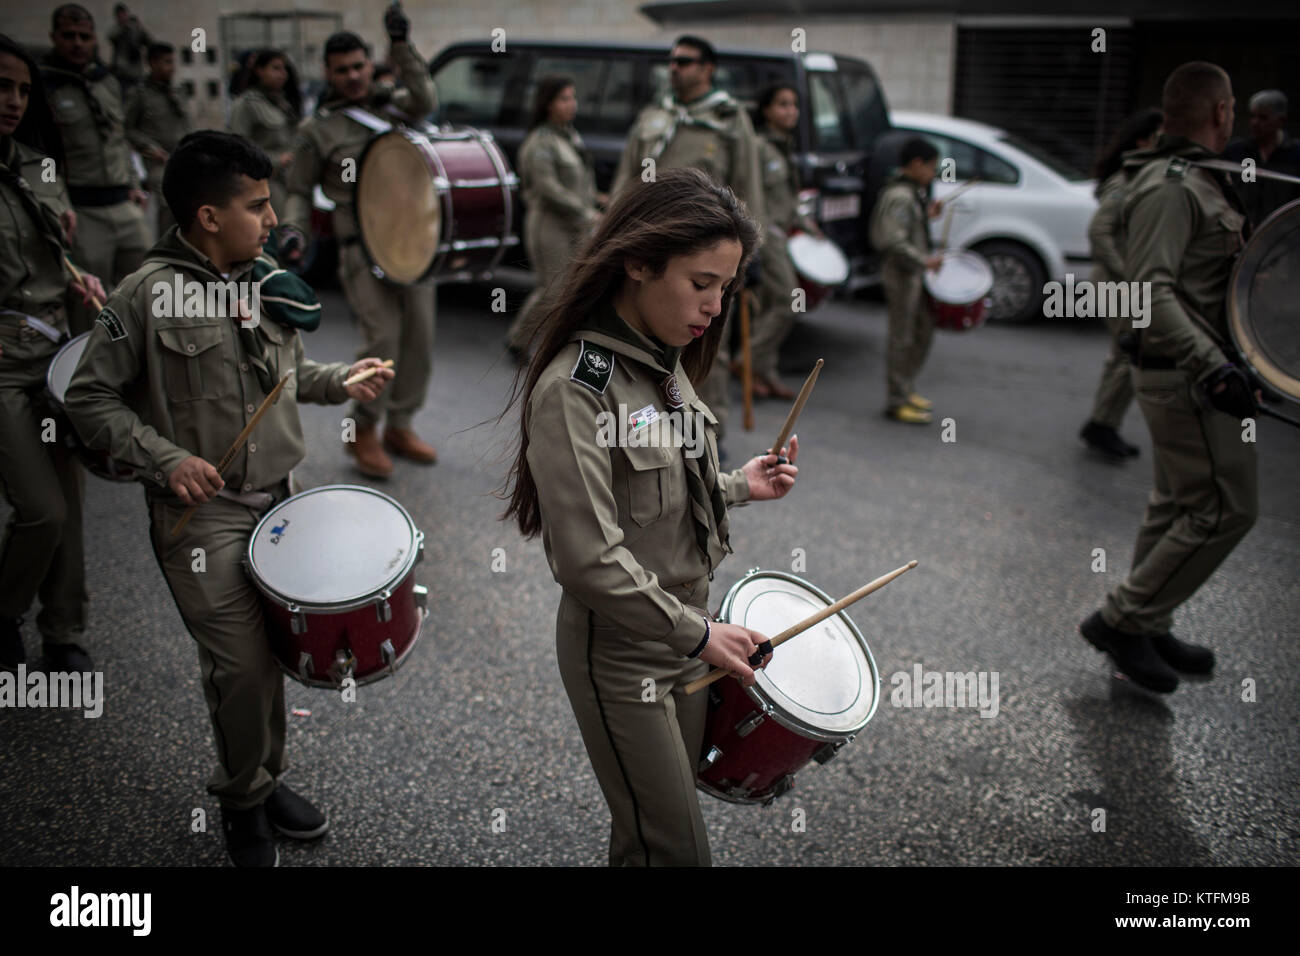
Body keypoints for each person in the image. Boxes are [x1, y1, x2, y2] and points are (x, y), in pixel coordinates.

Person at [64, 130, 394, 865]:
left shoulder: (264, 277)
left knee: (273, 656)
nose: (272, 218)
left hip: (281, 504)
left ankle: (262, 778)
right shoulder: (143, 295)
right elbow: (89, 398)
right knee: (239, 667)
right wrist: (166, 457)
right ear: (208, 217)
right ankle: (244, 805)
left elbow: (287, 374)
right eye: (256, 205)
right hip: (200, 517)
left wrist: (342, 379)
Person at [501, 167, 800, 866]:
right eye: (702, 284)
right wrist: (700, 637)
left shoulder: (662, 364)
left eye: (726, 287)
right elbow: (588, 558)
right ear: (638, 262)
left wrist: (738, 485)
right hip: (625, 649)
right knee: (677, 849)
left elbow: (662, 494)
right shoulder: (577, 389)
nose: (716, 306)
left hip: (688, 633)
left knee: (647, 832)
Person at [1079, 62, 1257, 695]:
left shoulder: (1195, 179)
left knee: (1177, 503)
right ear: (1222, 111)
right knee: (1225, 509)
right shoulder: (1172, 185)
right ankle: (1123, 618)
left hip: (1185, 368)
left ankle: (1147, 619)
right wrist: (1214, 366)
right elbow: (1149, 289)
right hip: (1187, 372)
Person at [280, 4, 439, 478]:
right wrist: (293, 231)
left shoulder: (394, 105)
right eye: (341, 70)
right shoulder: (317, 129)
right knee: (383, 339)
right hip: (361, 249)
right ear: (327, 73)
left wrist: (400, 44)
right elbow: (297, 189)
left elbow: (426, 95)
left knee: (420, 341)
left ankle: (400, 425)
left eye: (359, 66)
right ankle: (363, 432)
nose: (352, 76)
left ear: (370, 65)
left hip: (414, 245)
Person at [0, 33, 106, 673]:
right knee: (40, 509)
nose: (12, 101)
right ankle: (3, 610)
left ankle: (62, 632)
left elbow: (57, 244)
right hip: (3, 366)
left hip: (50, 348)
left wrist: (75, 274)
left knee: (68, 505)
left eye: (20, 89)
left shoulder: (37, 166)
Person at [612, 35, 765, 451]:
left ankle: (707, 429)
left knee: (703, 343)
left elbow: (747, 188)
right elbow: (627, 176)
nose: (674, 68)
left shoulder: (730, 119)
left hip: (704, 258)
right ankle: (645, 426)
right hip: (648, 253)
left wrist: (748, 259)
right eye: (672, 61)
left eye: (685, 61)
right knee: (639, 336)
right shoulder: (654, 115)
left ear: (707, 69)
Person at [42, 3, 150, 320]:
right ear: (54, 37)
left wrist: (133, 184)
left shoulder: (108, 83)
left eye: (84, 36)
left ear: (94, 40)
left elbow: (119, 138)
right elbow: (44, 157)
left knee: (148, 290)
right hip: (82, 209)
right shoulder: (45, 87)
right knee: (89, 301)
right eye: (69, 36)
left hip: (123, 205)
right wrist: (56, 201)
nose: (77, 43)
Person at [1078, 107, 1163, 461]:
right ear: (1143, 140)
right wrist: (1127, 274)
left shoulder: (1145, 175)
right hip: (1117, 283)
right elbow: (1099, 231)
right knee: (1130, 354)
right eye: (1160, 136)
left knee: (1125, 356)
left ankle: (1103, 423)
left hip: (1125, 282)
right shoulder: (1127, 179)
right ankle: (1101, 424)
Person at [504, 74, 601, 364]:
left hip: (574, 223)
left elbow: (581, 179)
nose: (572, 104)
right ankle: (518, 340)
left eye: (573, 97)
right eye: (564, 98)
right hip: (550, 224)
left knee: (573, 287)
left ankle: (561, 343)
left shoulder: (569, 136)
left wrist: (598, 199)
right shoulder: (540, 142)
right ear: (547, 104)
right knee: (553, 288)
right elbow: (549, 190)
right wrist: (587, 212)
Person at [747, 83, 823, 400]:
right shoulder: (759, 147)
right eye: (782, 104)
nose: (791, 111)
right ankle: (747, 361)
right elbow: (752, 195)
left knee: (769, 306)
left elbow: (788, 200)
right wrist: (758, 241)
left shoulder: (783, 148)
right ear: (766, 111)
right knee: (788, 302)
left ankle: (763, 372)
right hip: (767, 237)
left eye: (793, 105)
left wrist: (806, 223)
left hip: (784, 235)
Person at [869, 135, 944, 424]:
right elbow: (891, 240)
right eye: (931, 167)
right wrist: (924, 260)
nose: (933, 174)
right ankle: (896, 399)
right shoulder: (900, 195)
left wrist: (927, 215)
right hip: (902, 273)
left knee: (922, 331)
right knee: (901, 338)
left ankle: (907, 388)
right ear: (916, 164)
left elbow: (904, 228)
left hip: (914, 273)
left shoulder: (911, 192)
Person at [124, 42, 191, 237]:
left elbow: (186, 123)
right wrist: (149, 147)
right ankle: (167, 246)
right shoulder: (139, 94)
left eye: (173, 62)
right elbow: (127, 129)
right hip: (156, 161)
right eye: (166, 62)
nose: (171, 67)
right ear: (152, 63)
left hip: (182, 156)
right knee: (167, 200)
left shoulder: (178, 91)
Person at [229, 49, 301, 219]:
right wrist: (276, 160)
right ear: (259, 71)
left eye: (284, 69)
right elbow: (238, 150)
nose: (282, 74)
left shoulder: (283, 103)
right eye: (275, 68)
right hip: (265, 183)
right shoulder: (246, 104)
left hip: (289, 180)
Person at [1221, 89, 1300, 228]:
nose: (1255, 123)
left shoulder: (1295, 154)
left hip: (1284, 238)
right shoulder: (1238, 152)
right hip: (1245, 234)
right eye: (1252, 116)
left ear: (1281, 120)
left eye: (1263, 118)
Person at [107, 3, 150, 91]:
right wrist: (123, 27)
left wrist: (136, 28)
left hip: (135, 72)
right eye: (119, 15)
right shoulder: (117, 30)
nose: (121, 17)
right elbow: (111, 37)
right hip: (120, 73)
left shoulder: (135, 28)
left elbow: (149, 42)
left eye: (123, 14)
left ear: (126, 14)